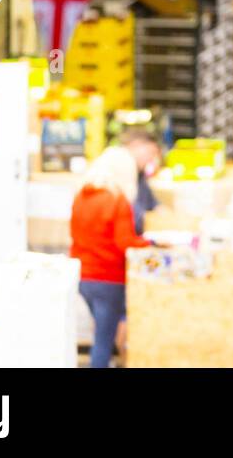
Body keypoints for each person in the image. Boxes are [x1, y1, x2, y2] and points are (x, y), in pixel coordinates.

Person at [70, 146, 150, 367]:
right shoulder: (117, 200)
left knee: (102, 331)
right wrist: (149, 243)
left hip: (82, 277)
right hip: (108, 278)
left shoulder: (81, 197)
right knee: (103, 342)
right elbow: (125, 243)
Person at [120, 130, 162, 235]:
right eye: (150, 153)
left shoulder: (140, 176)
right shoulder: (119, 174)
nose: (151, 159)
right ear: (135, 146)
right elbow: (134, 217)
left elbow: (154, 205)